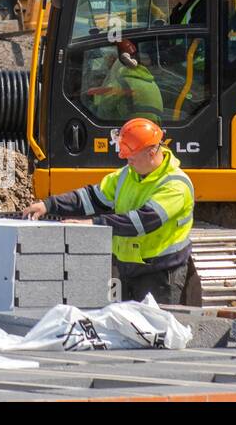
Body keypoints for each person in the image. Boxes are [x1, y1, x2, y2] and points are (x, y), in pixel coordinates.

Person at [21, 117, 195, 305]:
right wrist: (48, 205)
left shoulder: (175, 185)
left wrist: (94, 224)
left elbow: (140, 222)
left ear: (152, 152)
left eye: (132, 157)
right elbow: (90, 198)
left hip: (160, 273)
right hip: (127, 269)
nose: (128, 162)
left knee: (156, 330)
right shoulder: (127, 175)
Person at [88, 39, 163, 123]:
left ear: (114, 59)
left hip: (135, 129)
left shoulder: (122, 82)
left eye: (107, 58)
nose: (106, 63)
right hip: (153, 129)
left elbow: (103, 110)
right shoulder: (151, 82)